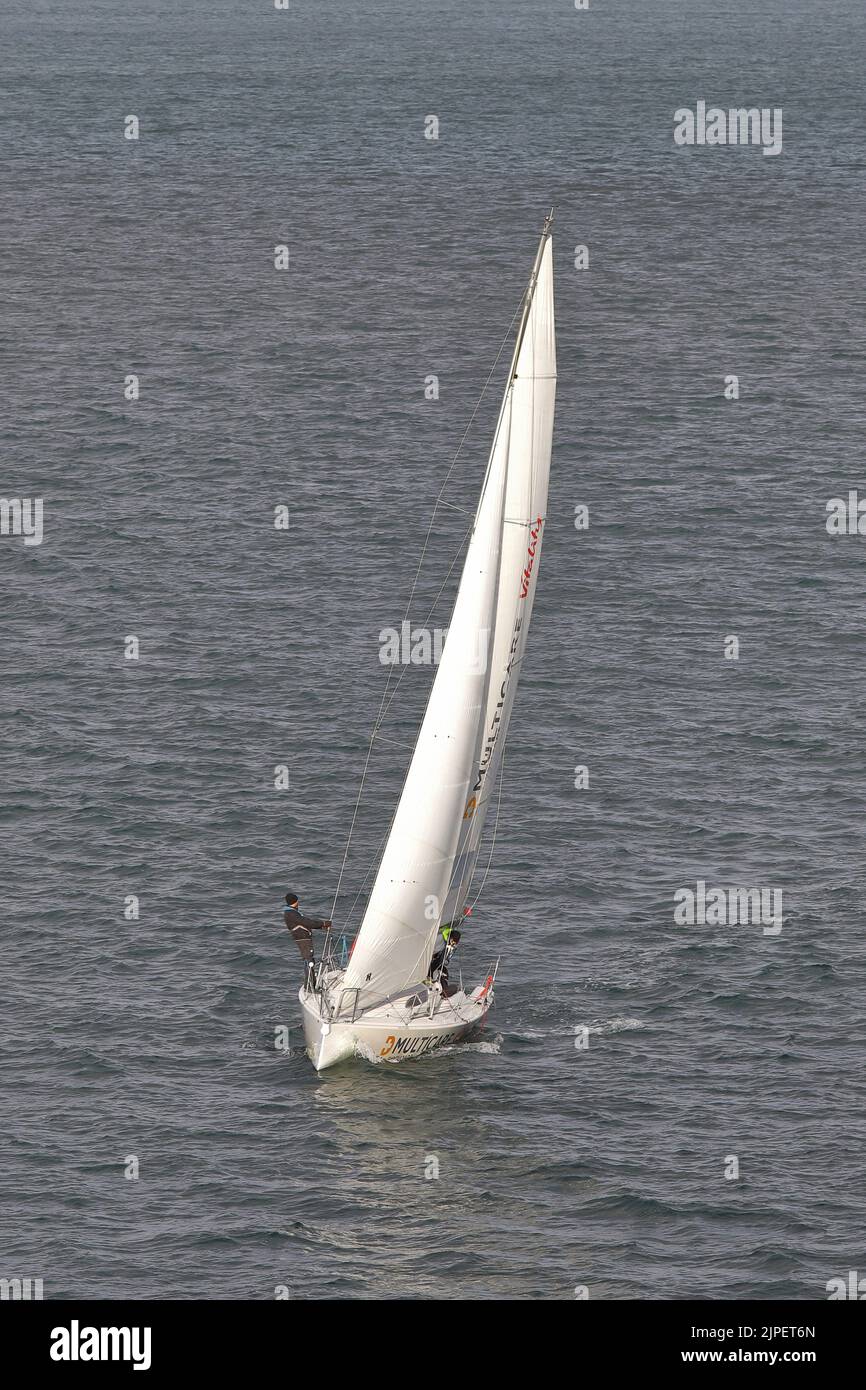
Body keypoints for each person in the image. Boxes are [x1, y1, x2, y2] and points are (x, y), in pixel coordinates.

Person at [283, 891, 331, 991]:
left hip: (303, 938)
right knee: (309, 961)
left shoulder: (291, 912)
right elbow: (307, 922)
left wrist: (321, 926)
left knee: (308, 960)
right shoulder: (291, 913)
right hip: (303, 939)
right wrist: (323, 924)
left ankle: (310, 985)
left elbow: (305, 923)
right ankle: (310, 987)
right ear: (295, 902)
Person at [428, 926, 461, 998]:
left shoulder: (449, 942)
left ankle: (444, 990)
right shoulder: (440, 940)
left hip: (439, 963)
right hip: (432, 962)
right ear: (451, 938)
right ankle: (429, 979)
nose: (454, 944)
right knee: (437, 970)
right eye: (454, 941)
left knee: (444, 972)